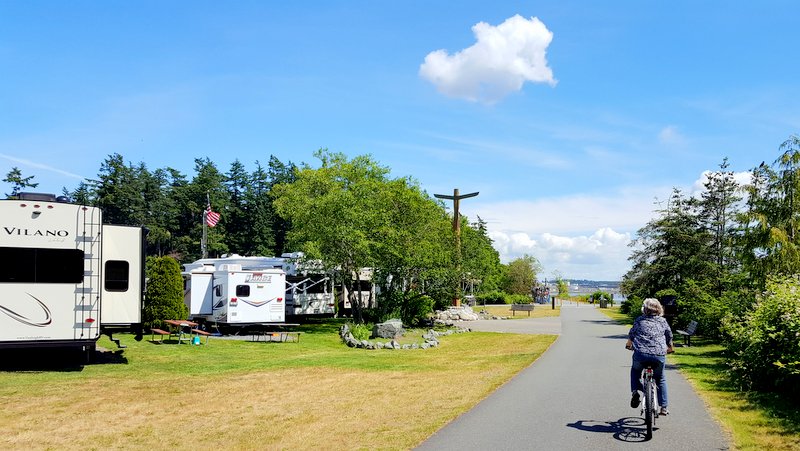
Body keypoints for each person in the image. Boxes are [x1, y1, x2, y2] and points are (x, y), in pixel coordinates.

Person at [625, 298, 674, 415]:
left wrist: (629, 344)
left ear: (644, 309)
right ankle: (664, 407)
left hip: (641, 354)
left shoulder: (639, 320)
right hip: (658, 355)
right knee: (660, 378)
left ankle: (635, 392)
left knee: (635, 371)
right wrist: (670, 347)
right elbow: (669, 335)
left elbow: (632, 334)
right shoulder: (662, 321)